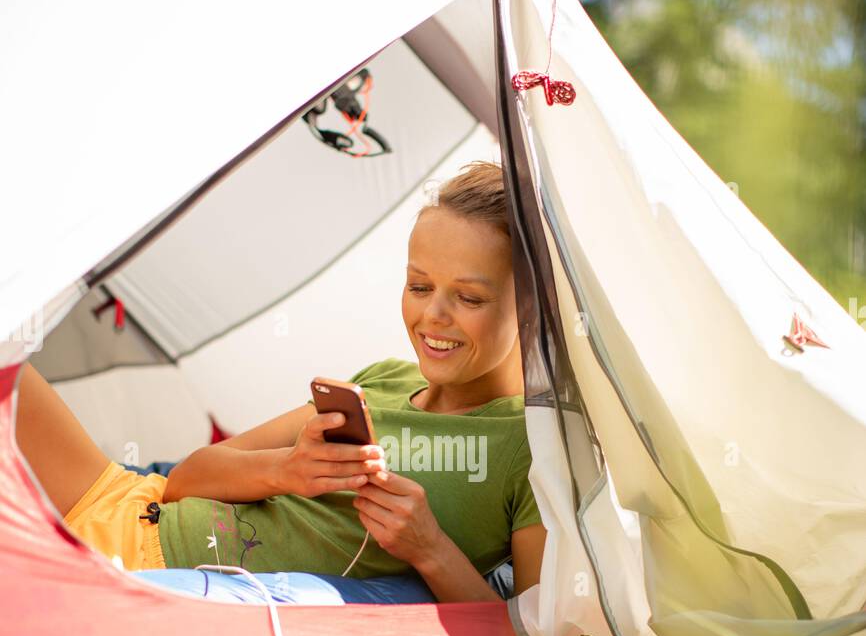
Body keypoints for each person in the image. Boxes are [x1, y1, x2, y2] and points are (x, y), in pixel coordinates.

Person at [16, 161, 546, 604]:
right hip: (115, 499)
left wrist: (430, 549)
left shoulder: (529, 451)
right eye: (418, 285)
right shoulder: (382, 381)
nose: (433, 315)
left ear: (531, 304)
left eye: (469, 298)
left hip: (142, 575)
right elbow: (185, 478)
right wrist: (285, 470)